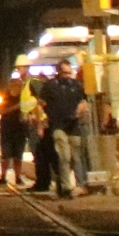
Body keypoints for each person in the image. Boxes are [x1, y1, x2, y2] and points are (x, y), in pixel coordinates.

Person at [34, 64, 85, 197]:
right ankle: (66, 186)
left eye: (69, 73)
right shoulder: (50, 86)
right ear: (59, 72)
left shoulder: (76, 85)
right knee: (64, 156)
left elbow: (83, 101)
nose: (68, 76)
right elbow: (40, 105)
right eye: (65, 73)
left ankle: (80, 185)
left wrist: (81, 110)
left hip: (73, 126)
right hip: (57, 125)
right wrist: (41, 124)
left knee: (76, 157)